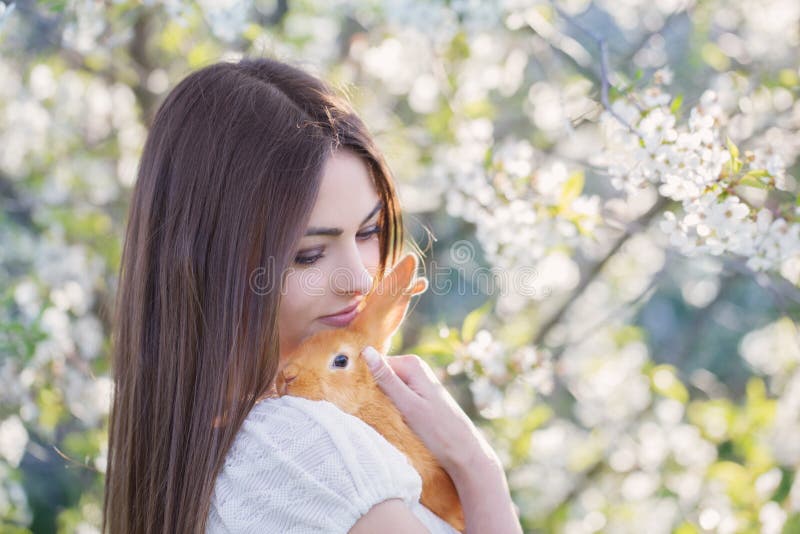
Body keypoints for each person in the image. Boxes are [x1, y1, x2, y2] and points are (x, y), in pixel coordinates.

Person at [102, 56, 522, 534]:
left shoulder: (199, 450)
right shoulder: (305, 446)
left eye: (370, 231)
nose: (358, 279)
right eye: (309, 254)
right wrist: (479, 470)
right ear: (211, 265)